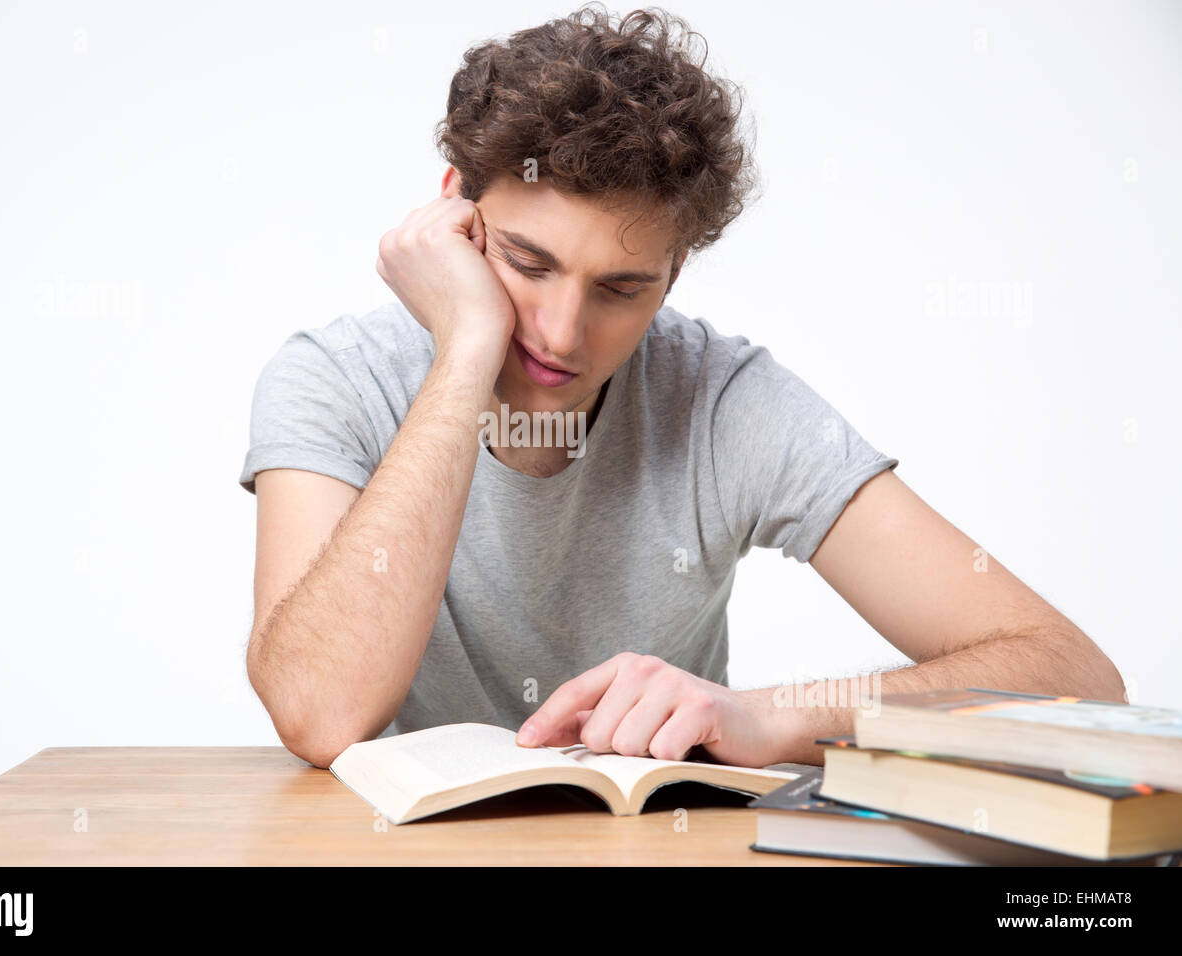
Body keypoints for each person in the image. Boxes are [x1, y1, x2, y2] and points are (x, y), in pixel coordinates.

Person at [238, 4, 1124, 769]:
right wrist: (467, 346)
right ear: (453, 214)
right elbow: (318, 712)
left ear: (677, 268)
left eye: (621, 289)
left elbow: (1072, 680)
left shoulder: (722, 402)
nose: (558, 333)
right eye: (525, 264)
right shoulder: (333, 380)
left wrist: (772, 717)